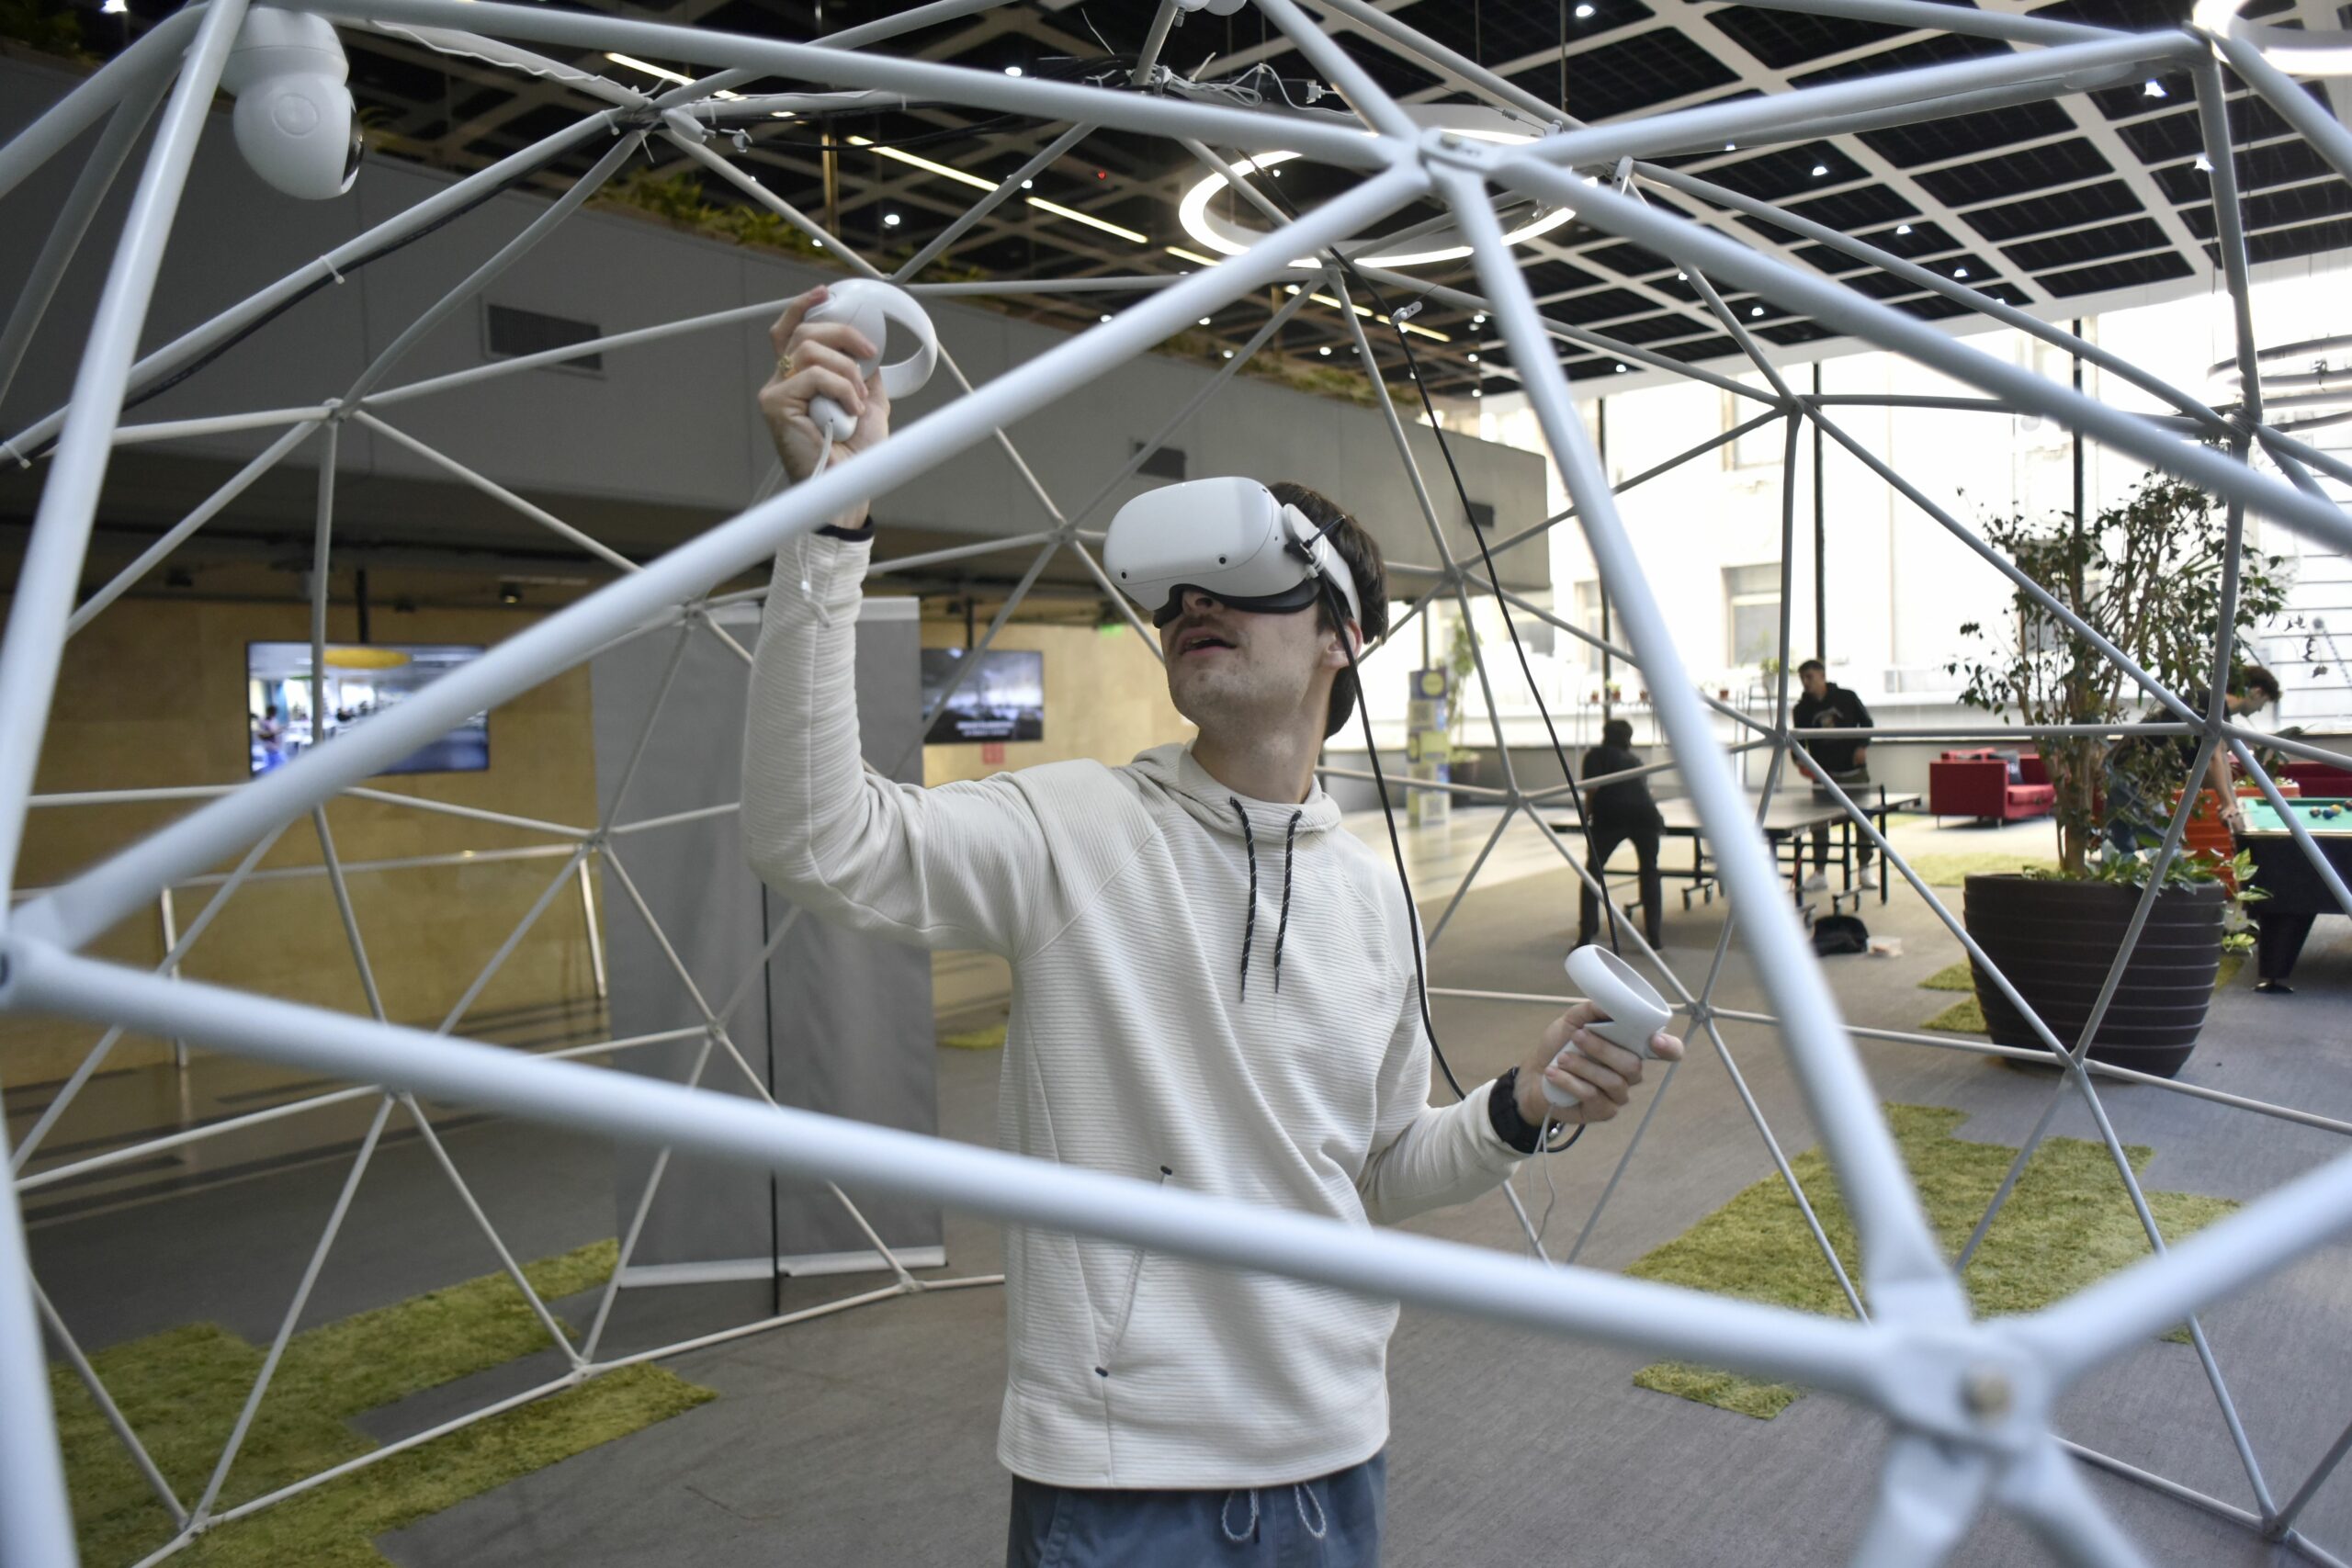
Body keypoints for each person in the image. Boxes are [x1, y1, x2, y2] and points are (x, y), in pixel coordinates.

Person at [741, 287, 1684, 1567]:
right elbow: (815, 838)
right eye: (1178, 588)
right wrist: (827, 521)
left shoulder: (1367, 894)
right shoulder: (1073, 826)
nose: (1195, 599)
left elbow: (1380, 1163)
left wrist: (1525, 1099)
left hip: (1333, 1462)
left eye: (1245, 577)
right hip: (1121, 1479)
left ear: (1343, 635)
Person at [2104, 666, 2279, 858]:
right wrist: (2228, 804)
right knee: (2168, 850)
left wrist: (2231, 804)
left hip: (2126, 769)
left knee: (2121, 847)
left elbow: (2220, 759)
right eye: (2264, 702)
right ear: (2257, 692)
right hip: (2134, 773)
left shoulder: (2216, 708)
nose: (2261, 709)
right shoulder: (2210, 705)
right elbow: (2215, 758)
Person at [1574, 718, 1664, 953]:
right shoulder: (1634, 760)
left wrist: (1586, 819)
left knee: (1593, 873)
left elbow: (1592, 789)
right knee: (1649, 871)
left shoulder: (1595, 756)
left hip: (1611, 815)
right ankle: (1654, 937)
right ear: (1628, 739)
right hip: (1646, 816)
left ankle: (1586, 934)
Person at [1792, 659, 1875, 892]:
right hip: (1824, 775)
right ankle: (1820, 872)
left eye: (1810, 677)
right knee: (1819, 824)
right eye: (1802, 679)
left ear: (1822, 675)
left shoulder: (1847, 697)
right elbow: (1796, 742)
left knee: (1863, 820)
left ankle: (1864, 869)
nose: (1806, 683)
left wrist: (1862, 746)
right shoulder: (1802, 709)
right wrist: (1799, 761)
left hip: (1853, 772)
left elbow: (1867, 722)